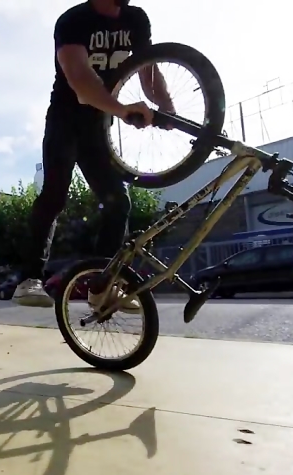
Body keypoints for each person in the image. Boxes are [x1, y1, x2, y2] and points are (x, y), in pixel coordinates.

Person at [12, 0, 175, 311]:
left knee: (118, 202)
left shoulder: (136, 19)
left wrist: (168, 110)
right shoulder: (73, 20)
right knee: (55, 195)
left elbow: (148, 73)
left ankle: (103, 287)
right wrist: (124, 110)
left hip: (99, 127)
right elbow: (81, 82)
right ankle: (28, 279)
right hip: (65, 119)